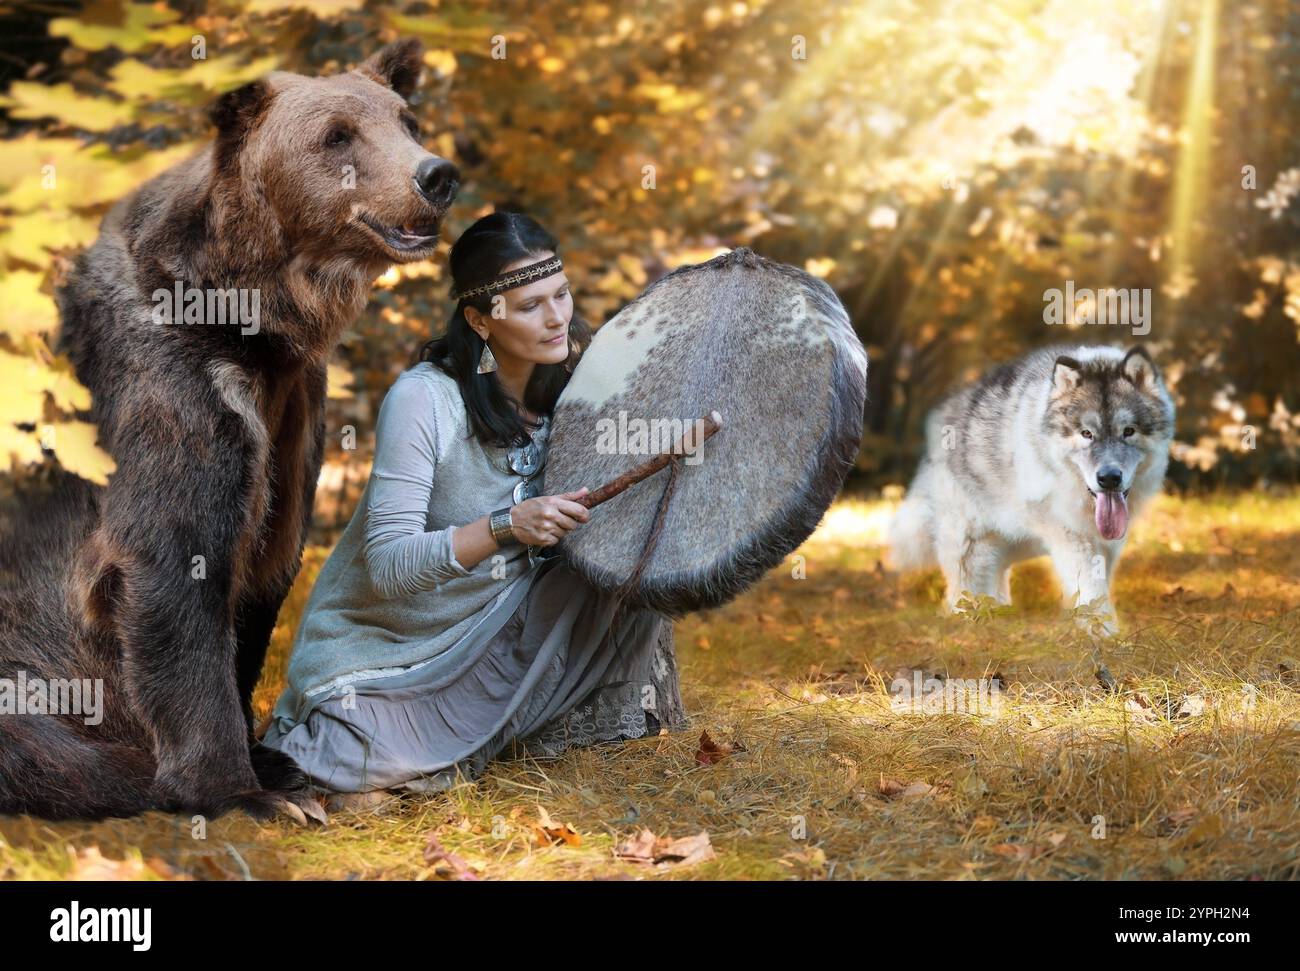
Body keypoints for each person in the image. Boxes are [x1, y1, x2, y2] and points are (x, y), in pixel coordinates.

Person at [261, 211, 688, 807]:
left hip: (504, 630)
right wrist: (506, 526)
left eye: (561, 295)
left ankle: (495, 736)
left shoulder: (579, 384)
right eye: (531, 305)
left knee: (617, 577)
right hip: (394, 641)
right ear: (480, 320)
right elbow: (388, 564)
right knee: (350, 752)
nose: (557, 317)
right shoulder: (424, 399)